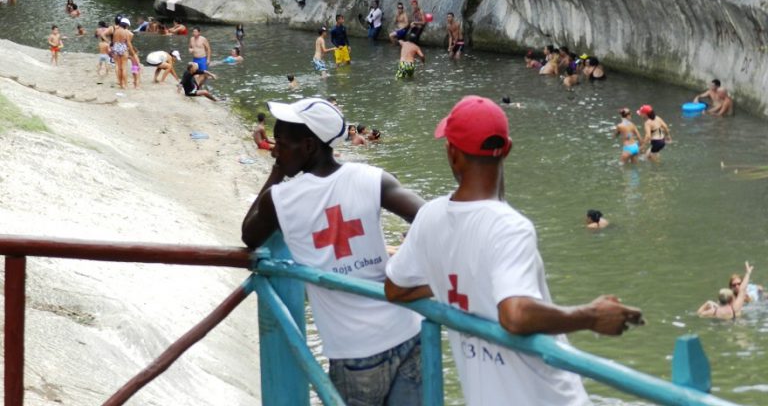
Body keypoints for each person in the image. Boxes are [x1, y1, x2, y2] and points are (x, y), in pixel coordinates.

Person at [384, 95, 643, 406]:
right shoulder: (510, 227)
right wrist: (591, 316)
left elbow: (395, 288)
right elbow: (515, 315)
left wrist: (457, 281)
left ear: (452, 153)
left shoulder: (429, 217)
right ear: (507, 149)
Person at [241, 97, 425, 405]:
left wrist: (277, 171)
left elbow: (249, 234)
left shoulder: (282, 199)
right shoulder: (371, 177)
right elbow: (429, 220)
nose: (275, 150)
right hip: (408, 331)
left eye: (282, 144)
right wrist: (406, 266)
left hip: (354, 349)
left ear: (309, 146)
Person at [112, 18, 135, 89]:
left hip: (116, 47)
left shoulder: (115, 31)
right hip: (123, 46)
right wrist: (133, 52)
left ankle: (120, 84)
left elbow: (113, 41)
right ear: (126, 25)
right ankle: (125, 85)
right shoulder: (125, 32)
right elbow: (128, 42)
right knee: (124, 67)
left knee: (118, 67)